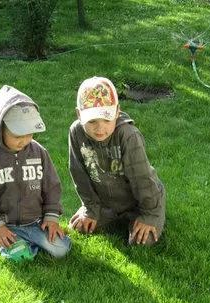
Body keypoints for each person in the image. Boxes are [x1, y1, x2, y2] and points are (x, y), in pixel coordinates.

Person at [0, 85, 71, 259]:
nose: (24, 141)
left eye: (29, 134)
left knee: (61, 250)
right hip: (7, 225)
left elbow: (52, 186)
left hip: (38, 223)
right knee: (15, 257)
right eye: (17, 135)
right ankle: (7, 242)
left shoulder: (39, 153)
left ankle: (28, 243)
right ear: (0, 128)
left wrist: (52, 218)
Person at [68, 76, 165, 246]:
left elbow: (142, 178)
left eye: (107, 119)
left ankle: (150, 213)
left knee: (141, 242)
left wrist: (150, 214)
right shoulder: (76, 132)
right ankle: (103, 212)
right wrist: (90, 209)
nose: (100, 128)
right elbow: (79, 173)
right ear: (79, 114)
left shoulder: (128, 135)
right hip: (107, 203)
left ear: (117, 111)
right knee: (79, 228)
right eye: (92, 121)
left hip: (139, 200)